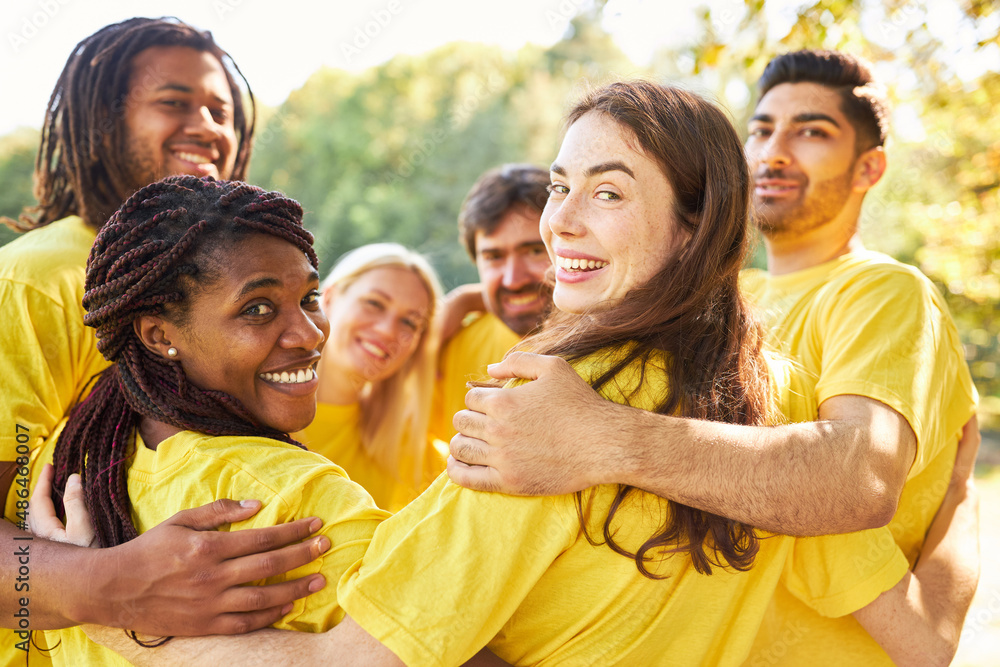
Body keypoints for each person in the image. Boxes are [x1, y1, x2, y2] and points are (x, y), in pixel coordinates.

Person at [85, 81, 965, 667]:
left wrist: (101, 608)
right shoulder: (777, 396)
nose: (560, 223)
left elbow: (347, 660)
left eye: (608, 192)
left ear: (693, 227)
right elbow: (918, 638)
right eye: (559, 184)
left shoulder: (544, 414)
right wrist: (956, 507)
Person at [447, 52, 979, 663]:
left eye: (811, 132)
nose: (774, 152)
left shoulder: (881, 291)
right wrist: (466, 302)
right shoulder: (729, 305)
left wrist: (604, 438)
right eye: (761, 129)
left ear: (869, 167)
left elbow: (859, 480)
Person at [0, 17, 321, 657]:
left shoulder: (247, 288)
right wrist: (112, 584)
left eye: (221, 111)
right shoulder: (37, 282)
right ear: (103, 125)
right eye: (174, 102)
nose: (207, 126)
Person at [29, 175, 393, 665]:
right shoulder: (295, 500)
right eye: (258, 309)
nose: (310, 335)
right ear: (160, 335)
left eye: (310, 297)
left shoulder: (73, 457)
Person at [297, 243, 444, 511]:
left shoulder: (423, 462)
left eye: (409, 322)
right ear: (328, 298)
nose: (388, 330)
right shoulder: (248, 416)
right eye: (374, 304)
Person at [429, 165, 551, 443]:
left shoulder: (620, 340)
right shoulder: (447, 347)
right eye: (494, 257)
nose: (513, 280)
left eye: (534, 251)